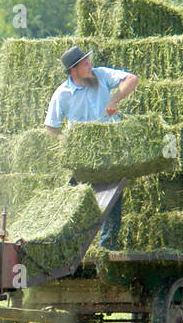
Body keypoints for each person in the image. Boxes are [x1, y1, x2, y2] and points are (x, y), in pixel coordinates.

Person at [44, 46, 139, 248]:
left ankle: (107, 246)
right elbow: (51, 127)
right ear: (73, 71)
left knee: (113, 196)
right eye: (85, 63)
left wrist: (114, 99)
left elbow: (132, 79)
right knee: (75, 200)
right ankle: (68, 245)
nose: (90, 65)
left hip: (110, 149)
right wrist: (67, 143)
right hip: (82, 156)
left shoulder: (101, 75)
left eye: (89, 61)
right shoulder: (62, 94)